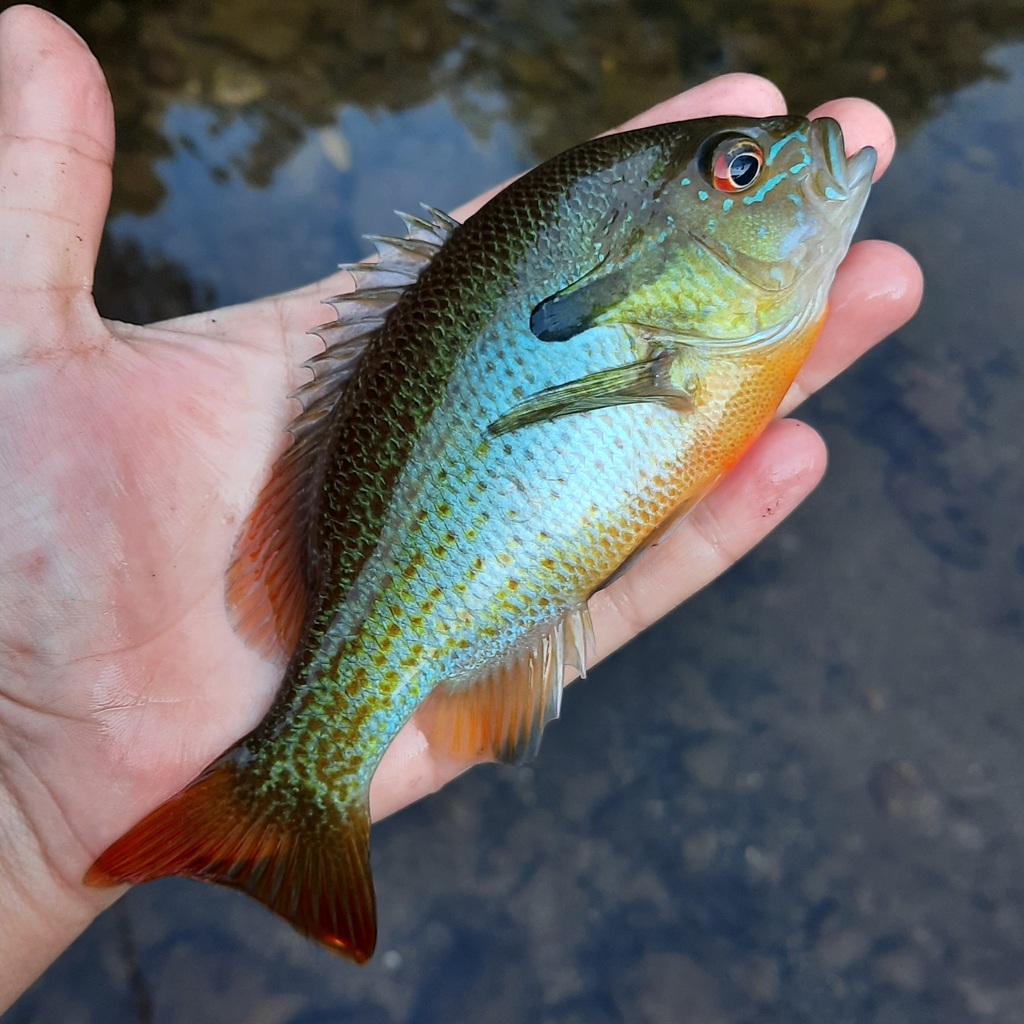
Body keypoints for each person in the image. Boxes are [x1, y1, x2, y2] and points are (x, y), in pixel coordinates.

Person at [0, 3, 922, 1009]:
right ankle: (296, 784)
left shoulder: (689, 336)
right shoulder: (690, 343)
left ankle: (282, 796)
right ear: (636, 259)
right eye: (739, 171)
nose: (784, 165)